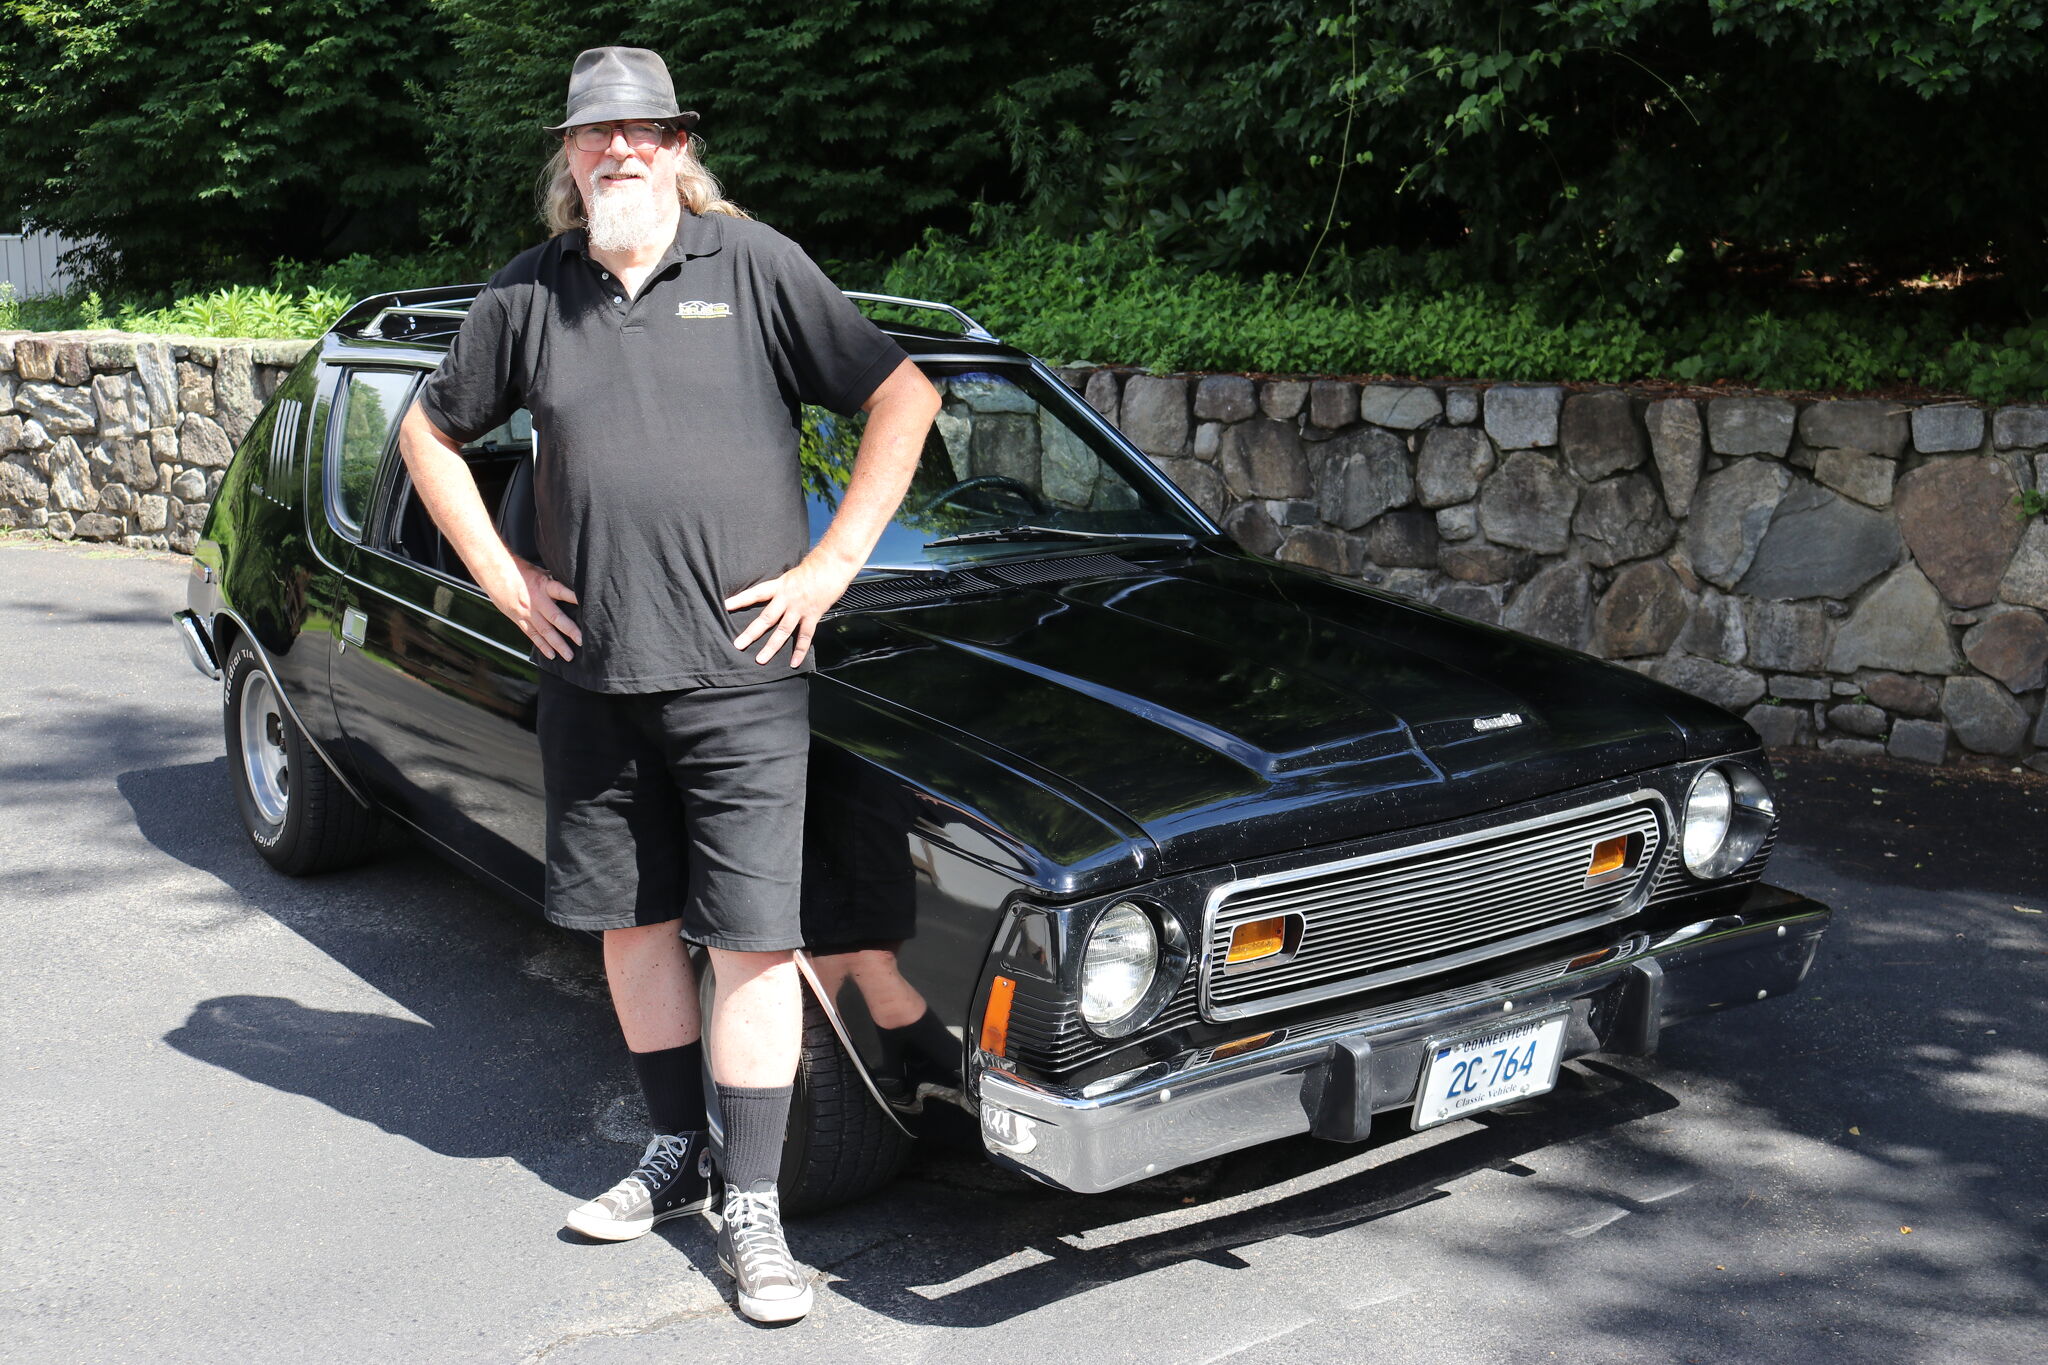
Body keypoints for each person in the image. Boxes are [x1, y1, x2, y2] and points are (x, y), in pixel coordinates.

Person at [395, 46, 938, 1323]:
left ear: (680, 146)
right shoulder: (529, 292)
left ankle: (751, 1208)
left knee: (753, 941)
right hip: (590, 676)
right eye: (597, 134)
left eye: (645, 131)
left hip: (744, 681)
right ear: (569, 156)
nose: (621, 151)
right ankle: (673, 1150)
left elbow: (901, 396)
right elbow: (428, 430)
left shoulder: (752, 265)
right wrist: (503, 578)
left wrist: (831, 567)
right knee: (632, 927)